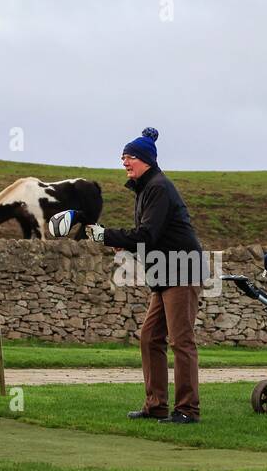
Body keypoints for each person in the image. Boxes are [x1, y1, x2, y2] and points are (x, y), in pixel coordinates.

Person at [83, 128, 206, 424]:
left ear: (146, 160)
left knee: (181, 341)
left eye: (130, 157)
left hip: (182, 269)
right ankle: (156, 405)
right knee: (150, 337)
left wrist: (107, 234)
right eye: (123, 157)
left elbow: (147, 234)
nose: (124, 162)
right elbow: (150, 238)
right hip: (165, 272)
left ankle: (187, 409)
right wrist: (119, 243)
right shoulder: (147, 189)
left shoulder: (158, 188)